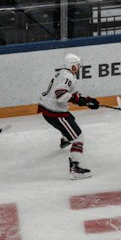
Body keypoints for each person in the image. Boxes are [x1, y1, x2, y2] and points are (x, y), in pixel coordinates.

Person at [38, 51, 99, 179]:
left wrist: (87, 100)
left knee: (71, 119)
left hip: (49, 109)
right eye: (77, 65)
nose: (78, 68)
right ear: (73, 66)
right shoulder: (68, 77)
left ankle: (65, 139)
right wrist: (79, 101)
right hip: (54, 112)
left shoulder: (63, 73)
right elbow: (61, 96)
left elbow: (70, 94)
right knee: (78, 138)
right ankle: (75, 168)